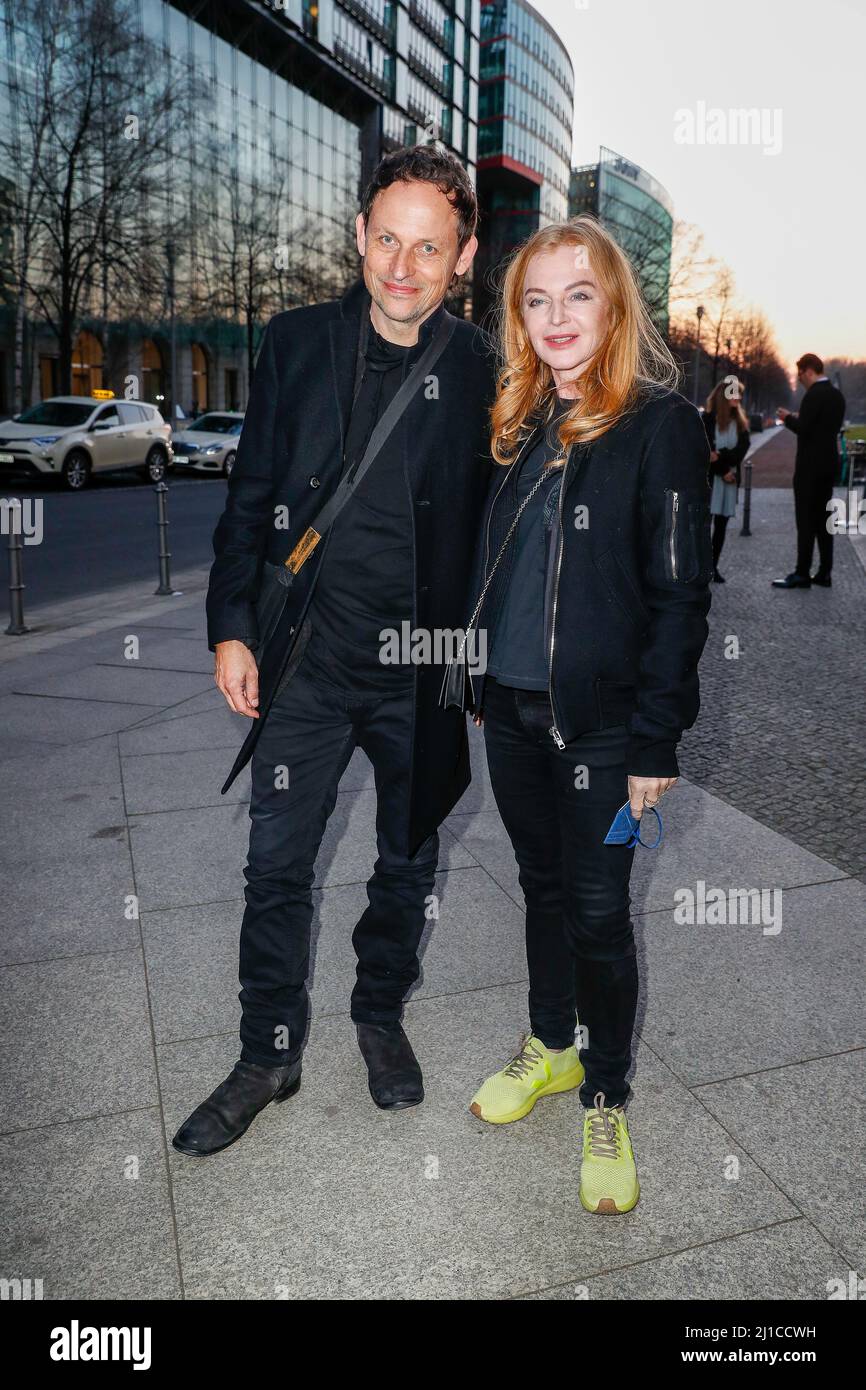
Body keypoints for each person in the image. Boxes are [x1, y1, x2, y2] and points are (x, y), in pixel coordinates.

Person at [172, 146, 495, 1157]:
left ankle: (377, 1010)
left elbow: (510, 524)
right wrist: (230, 624)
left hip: (421, 669)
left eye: (428, 247)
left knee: (407, 858)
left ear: (463, 256)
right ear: (359, 234)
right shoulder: (295, 341)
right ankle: (267, 1049)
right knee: (276, 865)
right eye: (386, 238)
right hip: (304, 663)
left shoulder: (486, 370)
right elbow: (245, 499)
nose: (402, 265)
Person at [462, 218, 712, 1214]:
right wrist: (480, 683)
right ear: (517, 317)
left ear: (613, 307)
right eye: (535, 297)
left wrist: (656, 738)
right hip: (516, 715)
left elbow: (677, 593)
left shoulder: (658, 426)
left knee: (600, 910)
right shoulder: (515, 423)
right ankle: (550, 1046)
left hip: (605, 730)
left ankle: (604, 1090)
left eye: (577, 294)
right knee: (539, 885)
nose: (555, 315)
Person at [773, 353, 845, 588]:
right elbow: (825, 428)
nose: (800, 379)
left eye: (800, 374)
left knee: (805, 520)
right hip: (829, 465)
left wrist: (787, 419)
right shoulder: (837, 396)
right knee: (825, 521)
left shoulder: (813, 395)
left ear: (809, 371)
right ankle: (825, 572)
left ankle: (802, 572)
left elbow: (805, 429)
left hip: (809, 468)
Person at [701, 378, 750, 583]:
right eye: (734, 393)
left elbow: (741, 451)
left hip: (729, 480)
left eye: (739, 393)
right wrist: (723, 469)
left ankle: (713, 567)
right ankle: (701, 567)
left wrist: (720, 456)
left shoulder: (740, 422)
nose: (738, 397)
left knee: (721, 527)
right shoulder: (708, 419)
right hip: (712, 480)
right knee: (704, 526)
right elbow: (704, 453)